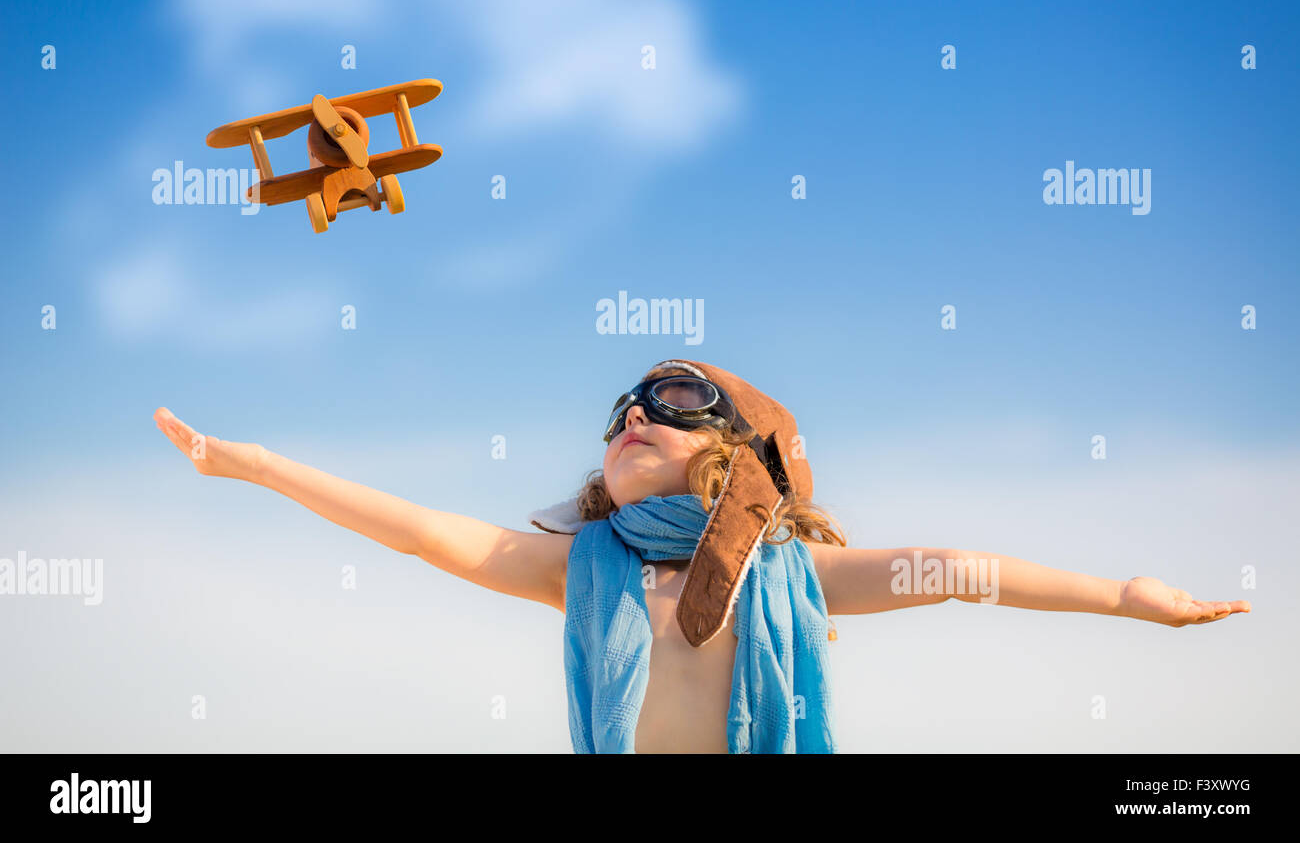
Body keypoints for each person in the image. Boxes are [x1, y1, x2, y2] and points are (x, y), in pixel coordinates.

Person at [153, 358, 1251, 754]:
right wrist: (258, 465)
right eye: (622, 406)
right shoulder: (580, 565)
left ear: (737, 453)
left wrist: (1123, 595)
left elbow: (960, 568)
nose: (634, 412)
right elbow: (422, 529)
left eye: (671, 404)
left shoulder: (791, 575)